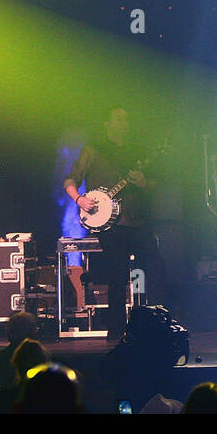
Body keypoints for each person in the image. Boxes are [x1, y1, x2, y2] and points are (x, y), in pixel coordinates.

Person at [65, 107, 165, 340]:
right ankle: (116, 330)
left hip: (138, 220)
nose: (125, 122)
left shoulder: (136, 151)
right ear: (107, 123)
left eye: (126, 118)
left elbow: (154, 185)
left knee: (156, 267)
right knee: (117, 275)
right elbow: (71, 180)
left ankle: (157, 322)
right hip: (111, 226)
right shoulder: (93, 151)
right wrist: (79, 199)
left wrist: (142, 183)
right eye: (119, 118)